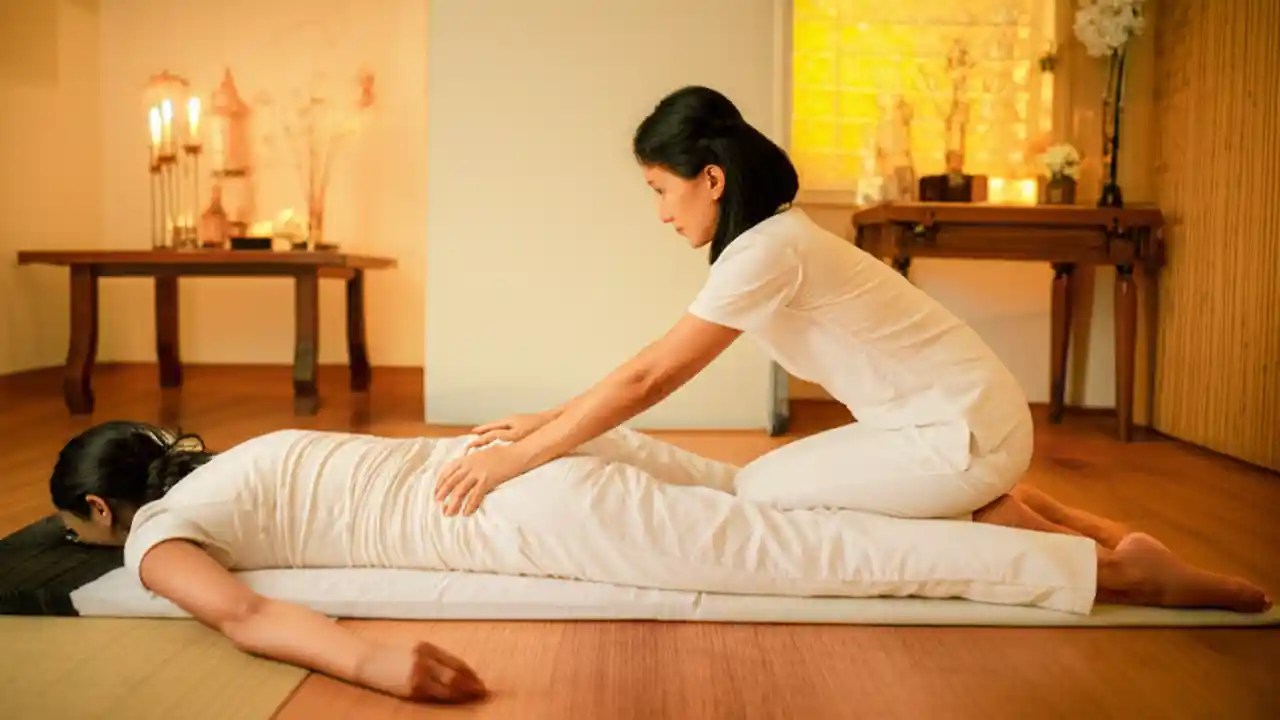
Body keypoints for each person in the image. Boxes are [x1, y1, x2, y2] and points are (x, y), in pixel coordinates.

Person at [50, 421, 1269, 705]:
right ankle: (1005, 503)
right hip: (533, 444)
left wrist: (372, 662)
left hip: (531, 510)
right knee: (767, 488)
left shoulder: (157, 538)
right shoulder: (251, 451)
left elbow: (245, 616)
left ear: (104, 508)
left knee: (810, 553)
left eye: (82, 528)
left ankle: (1120, 573)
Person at [432, 85, 1037, 521]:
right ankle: (1041, 519)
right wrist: (550, 419)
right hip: (953, 421)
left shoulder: (768, 251)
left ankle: (1030, 533)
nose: (661, 213)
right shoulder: (770, 241)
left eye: (662, 190)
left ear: (712, 180)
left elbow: (651, 376)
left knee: (765, 495)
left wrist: (517, 458)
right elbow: (649, 365)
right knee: (766, 478)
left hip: (964, 432)